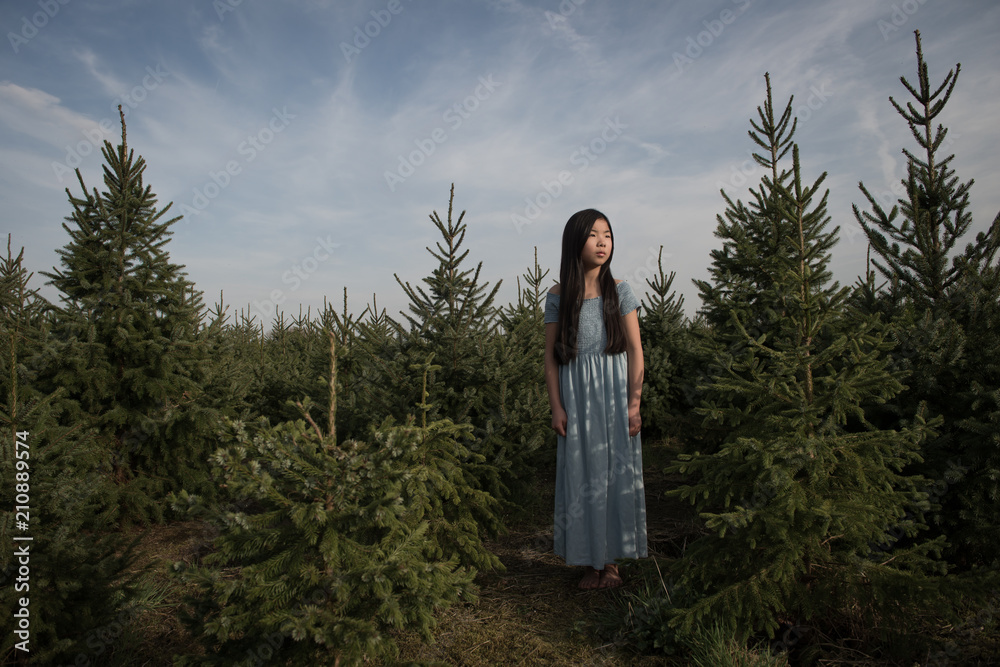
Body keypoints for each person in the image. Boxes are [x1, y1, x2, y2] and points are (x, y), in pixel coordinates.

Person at [544, 209, 648, 590]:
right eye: (593, 235)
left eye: (608, 234)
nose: (603, 241)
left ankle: (613, 562)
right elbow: (551, 357)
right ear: (575, 242)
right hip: (576, 394)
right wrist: (557, 407)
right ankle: (590, 561)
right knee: (582, 473)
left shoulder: (619, 290)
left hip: (613, 393)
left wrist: (633, 403)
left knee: (614, 473)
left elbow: (636, 351)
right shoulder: (558, 295)